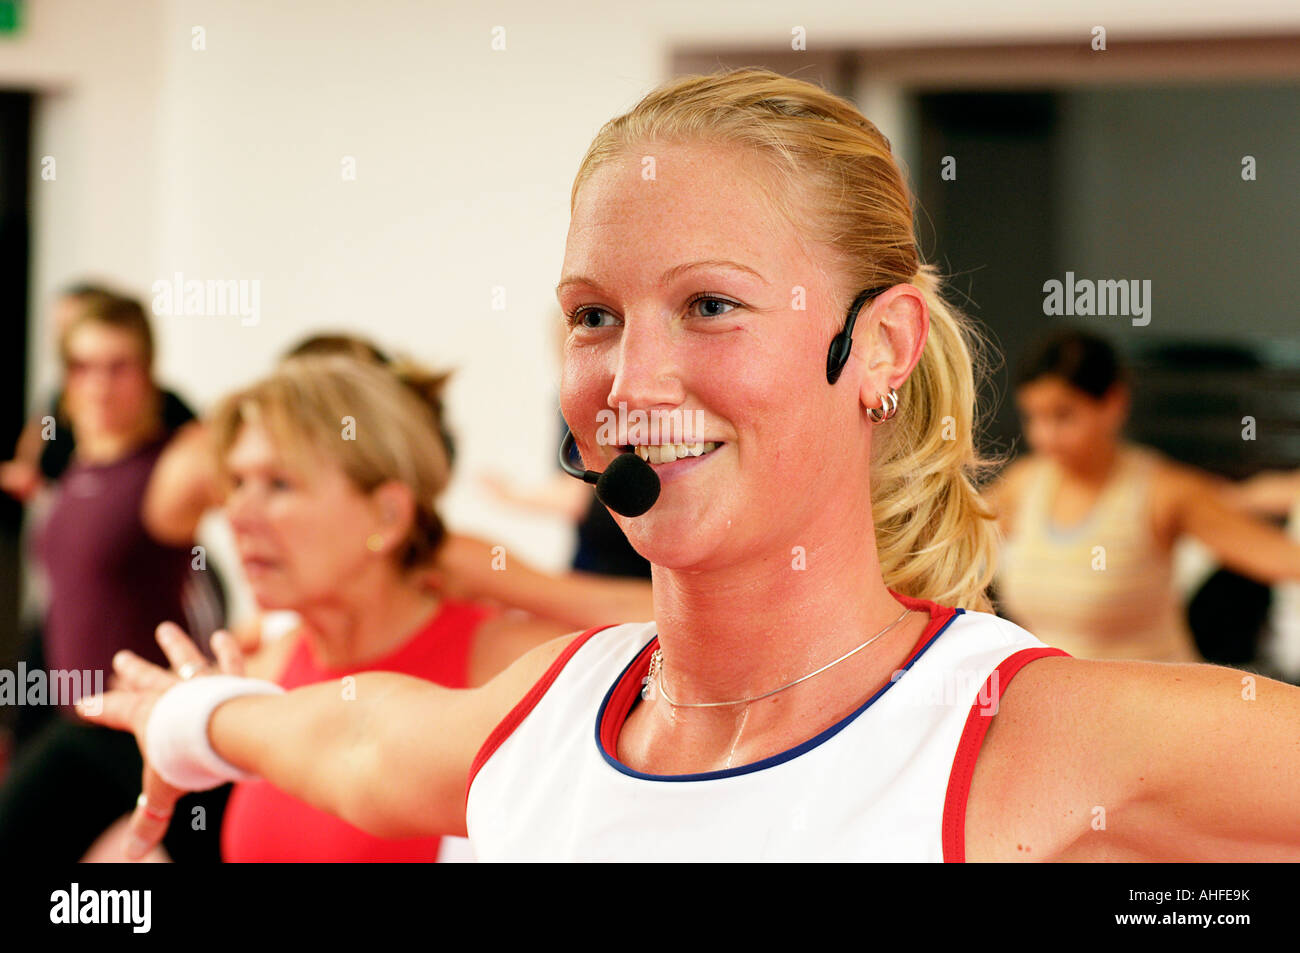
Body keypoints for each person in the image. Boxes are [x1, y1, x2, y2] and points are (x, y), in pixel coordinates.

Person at [82, 68, 1300, 861]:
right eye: (593, 315)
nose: (631, 383)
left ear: (876, 347)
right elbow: (349, 744)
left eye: (710, 305)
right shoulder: (556, 708)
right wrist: (186, 715)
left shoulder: (1022, 736)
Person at [87, 350, 571, 862]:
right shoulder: (260, 673)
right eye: (237, 483)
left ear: (387, 515)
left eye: (279, 484)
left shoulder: (519, 670)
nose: (238, 513)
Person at [0, 291, 224, 862]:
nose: (99, 384)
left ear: (147, 374)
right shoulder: (77, 465)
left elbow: (249, 466)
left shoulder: (170, 467)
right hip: (81, 720)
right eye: (83, 367)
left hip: (149, 724)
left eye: (118, 366)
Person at [987, 329, 1300, 663]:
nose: (1043, 436)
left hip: (1157, 704)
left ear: (1113, 402)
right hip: (1058, 706)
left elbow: (1283, 559)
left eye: (1063, 416)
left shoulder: (1163, 492)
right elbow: (951, 547)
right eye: (1033, 416)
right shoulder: (1022, 485)